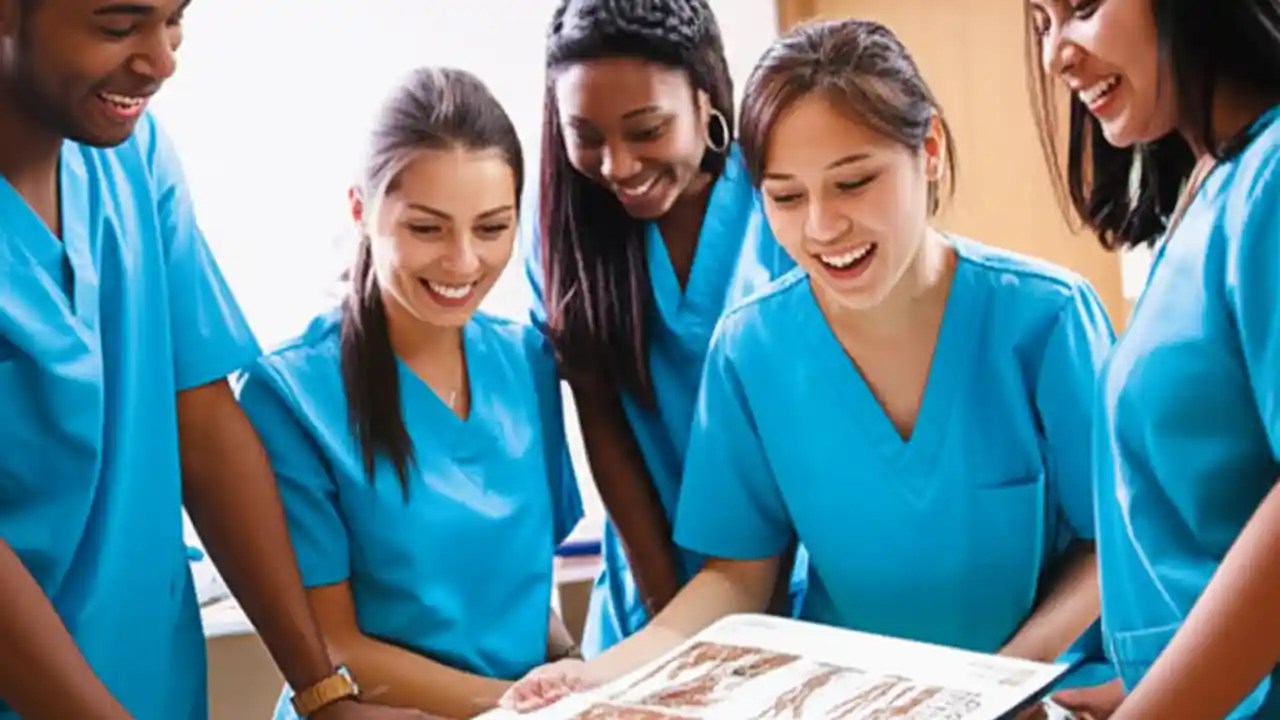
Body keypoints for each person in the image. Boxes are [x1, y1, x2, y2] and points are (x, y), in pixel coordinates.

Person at [502, 17, 1116, 712]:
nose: (822, 227)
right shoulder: (750, 349)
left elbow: (1113, 545)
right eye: (787, 197)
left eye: (853, 183)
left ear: (930, 149)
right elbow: (738, 575)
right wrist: (610, 671)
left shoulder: (1046, 320)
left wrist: (1003, 684)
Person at [0, 1, 433, 719]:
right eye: (119, 27)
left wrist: (322, 689)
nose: (162, 60)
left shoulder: (133, 159)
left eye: (175, 20)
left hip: (152, 679)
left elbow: (203, 424)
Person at [235, 67, 585, 720]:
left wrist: (573, 675)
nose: (462, 262)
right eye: (427, 229)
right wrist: (511, 704)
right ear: (360, 209)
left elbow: (524, 598)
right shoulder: (288, 397)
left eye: (491, 228)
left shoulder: (528, 363)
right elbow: (331, 645)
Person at [521, 0, 805, 660]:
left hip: (800, 586)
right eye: (585, 135)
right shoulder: (561, 231)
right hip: (649, 599)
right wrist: (670, 619)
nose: (616, 165)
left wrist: (757, 619)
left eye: (645, 129)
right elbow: (601, 420)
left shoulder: (783, 201)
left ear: (707, 97)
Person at [1027, 1, 1280, 717]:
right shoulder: (1209, 185)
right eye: (1042, 23)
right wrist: (1138, 688)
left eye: (1081, 8)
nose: (1056, 54)